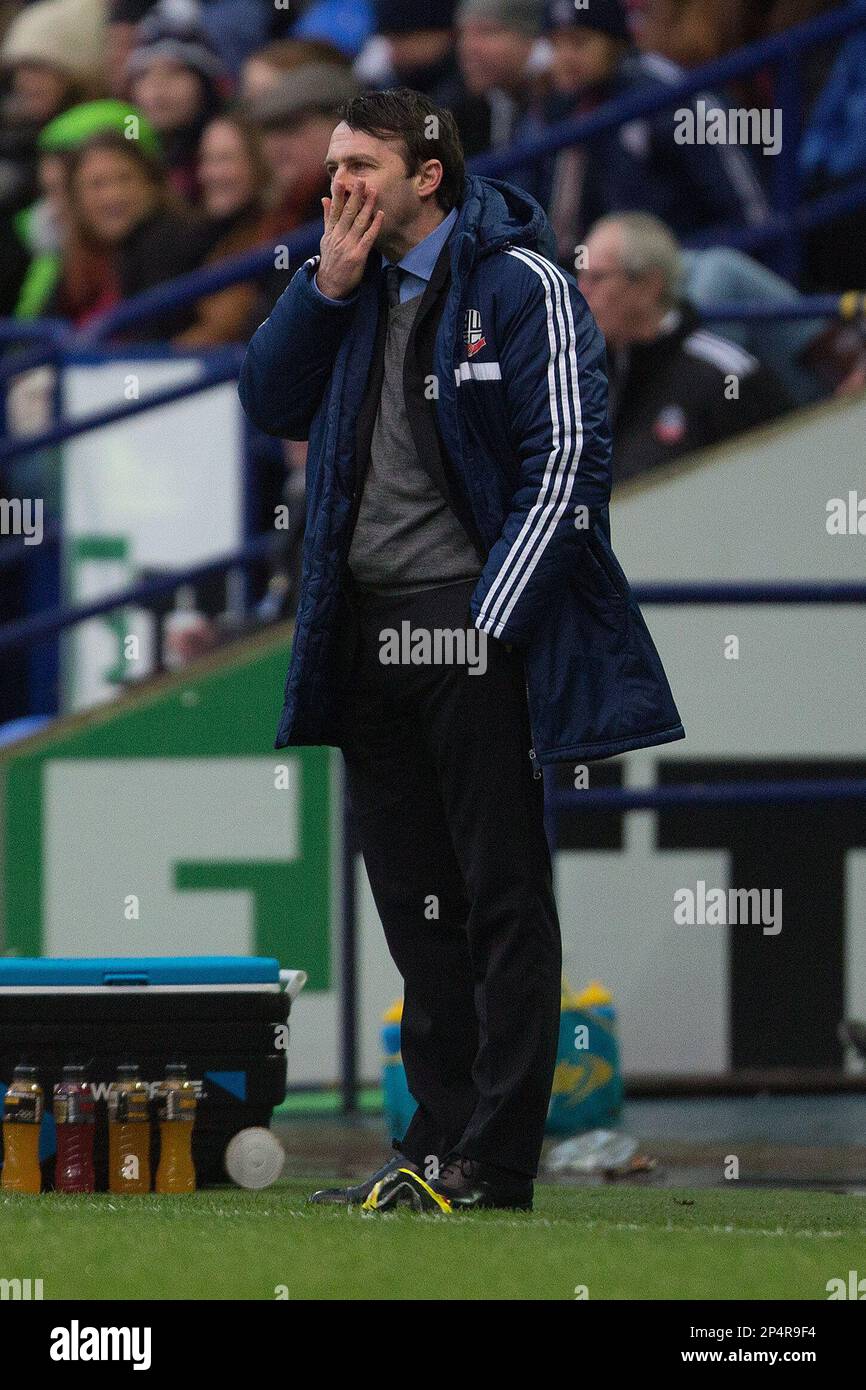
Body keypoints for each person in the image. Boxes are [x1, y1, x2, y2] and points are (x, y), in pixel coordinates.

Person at [239, 88, 684, 1213]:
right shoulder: (344, 283)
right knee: (413, 908)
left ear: (426, 175)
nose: (336, 184)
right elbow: (268, 398)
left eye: (360, 166)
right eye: (330, 164)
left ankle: (493, 1159)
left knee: (498, 898)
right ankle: (433, 1148)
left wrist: (490, 621)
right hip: (366, 624)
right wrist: (322, 289)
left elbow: (569, 460)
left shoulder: (517, 278)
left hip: (467, 617)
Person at [544, 0, 771, 265]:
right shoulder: (565, 109)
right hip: (620, 276)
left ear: (615, 41)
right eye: (555, 45)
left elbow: (750, 215)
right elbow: (565, 235)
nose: (565, 56)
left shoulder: (667, 95)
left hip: (695, 265)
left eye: (579, 42)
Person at [579, 213, 791, 482]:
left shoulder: (726, 376)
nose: (582, 292)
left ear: (648, 286)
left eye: (597, 279)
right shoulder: (586, 381)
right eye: (581, 277)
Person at [47, 129, 213, 340]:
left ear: (151, 185)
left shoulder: (177, 241)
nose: (113, 195)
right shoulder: (76, 259)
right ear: (76, 198)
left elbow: (154, 340)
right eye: (97, 184)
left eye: (125, 178)